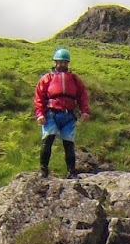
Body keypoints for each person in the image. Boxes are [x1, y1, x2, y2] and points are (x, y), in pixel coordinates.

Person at [33, 48, 91, 177]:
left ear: (68, 63)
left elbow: (82, 96)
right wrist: (40, 114)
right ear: (55, 62)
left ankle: (71, 172)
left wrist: (85, 111)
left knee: (68, 143)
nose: (62, 65)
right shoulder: (47, 78)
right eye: (60, 62)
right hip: (51, 114)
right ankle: (43, 170)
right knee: (48, 140)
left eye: (65, 62)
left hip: (68, 115)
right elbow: (39, 97)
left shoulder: (74, 79)